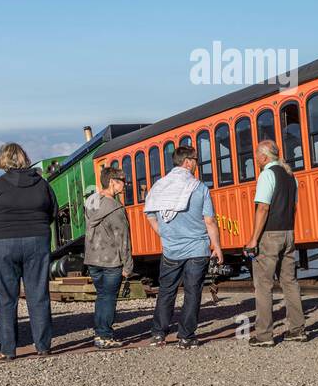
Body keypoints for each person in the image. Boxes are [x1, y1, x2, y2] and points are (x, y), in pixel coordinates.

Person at [0, 143, 56, 359]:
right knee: (38, 294)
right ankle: (43, 345)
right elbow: (53, 211)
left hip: (2, 244)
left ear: (3, 160)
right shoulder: (42, 185)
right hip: (37, 241)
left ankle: (8, 349)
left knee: (6, 297)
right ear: (25, 158)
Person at [142, 145, 223, 349]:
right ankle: (186, 336)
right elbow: (210, 221)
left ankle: (159, 334)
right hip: (197, 248)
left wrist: (163, 232)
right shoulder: (199, 188)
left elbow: (149, 213)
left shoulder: (160, 186)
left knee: (166, 291)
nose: (197, 163)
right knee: (192, 292)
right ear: (187, 162)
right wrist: (217, 246)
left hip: (171, 249)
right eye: (195, 159)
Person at [244, 139, 306, 346]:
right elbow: (295, 208)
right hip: (288, 233)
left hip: (270, 236)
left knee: (263, 285)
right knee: (290, 283)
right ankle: (297, 330)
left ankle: (264, 335)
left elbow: (263, 208)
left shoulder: (266, 175)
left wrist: (253, 239)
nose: (255, 159)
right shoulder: (290, 177)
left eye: (256, 155)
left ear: (263, 157)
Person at [83, 165, 133, 349]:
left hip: (92, 259)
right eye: (122, 182)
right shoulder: (115, 208)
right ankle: (104, 335)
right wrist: (128, 265)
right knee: (109, 297)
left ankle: (100, 331)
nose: (124, 185)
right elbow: (123, 239)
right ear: (112, 182)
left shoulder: (91, 203)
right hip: (111, 260)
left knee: (102, 296)